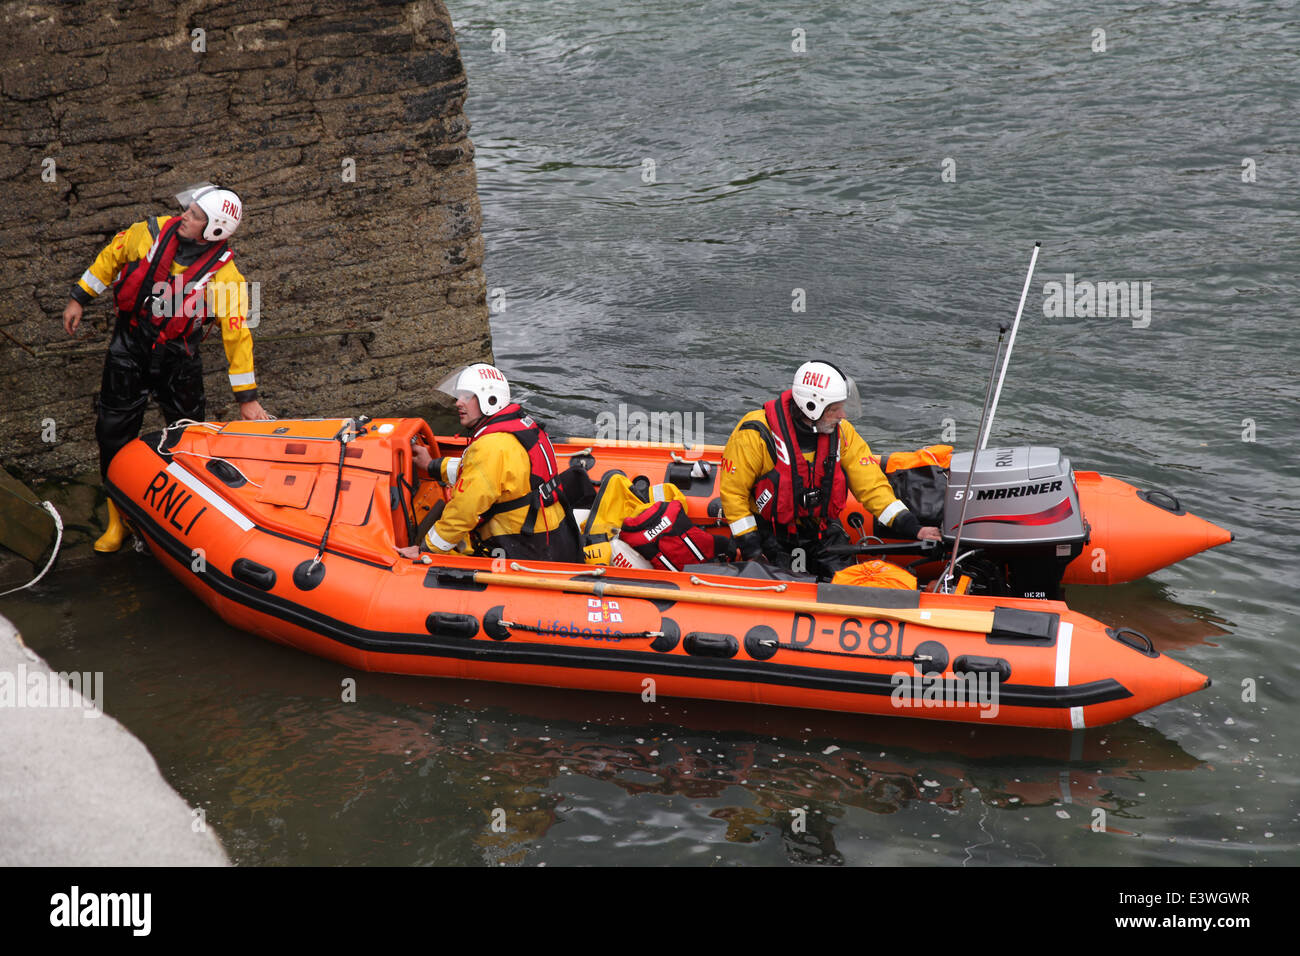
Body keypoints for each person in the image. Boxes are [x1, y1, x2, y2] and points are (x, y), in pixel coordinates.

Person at [61, 182, 270, 552]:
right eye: (189, 210)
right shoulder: (152, 232)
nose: (184, 217)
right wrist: (80, 297)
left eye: (194, 216)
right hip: (130, 346)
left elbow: (238, 336)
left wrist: (247, 398)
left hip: (179, 358)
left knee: (189, 438)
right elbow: (112, 256)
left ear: (214, 230)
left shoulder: (225, 277)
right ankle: (117, 521)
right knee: (112, 431)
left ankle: (183, 520)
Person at [719, 360, 941, 579]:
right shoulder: (755, 434)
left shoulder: (842, 433)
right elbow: (734, 495)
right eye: (835, 409)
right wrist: (752, 550)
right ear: (812, 407)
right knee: (783, 583)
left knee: (847, 581)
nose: (842, 415)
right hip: (770, 531)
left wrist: (913, 528)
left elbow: (872, 485)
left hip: (820, 528)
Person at [401, 364, 583, 563]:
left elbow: (463, 513)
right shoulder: (520, 426)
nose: (458, 403)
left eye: (467, 396)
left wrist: (425, 549)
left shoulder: (491, 446)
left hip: (524, 547)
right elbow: (483, 474)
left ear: (490, 399)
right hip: (555, 535)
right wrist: (432, 465)